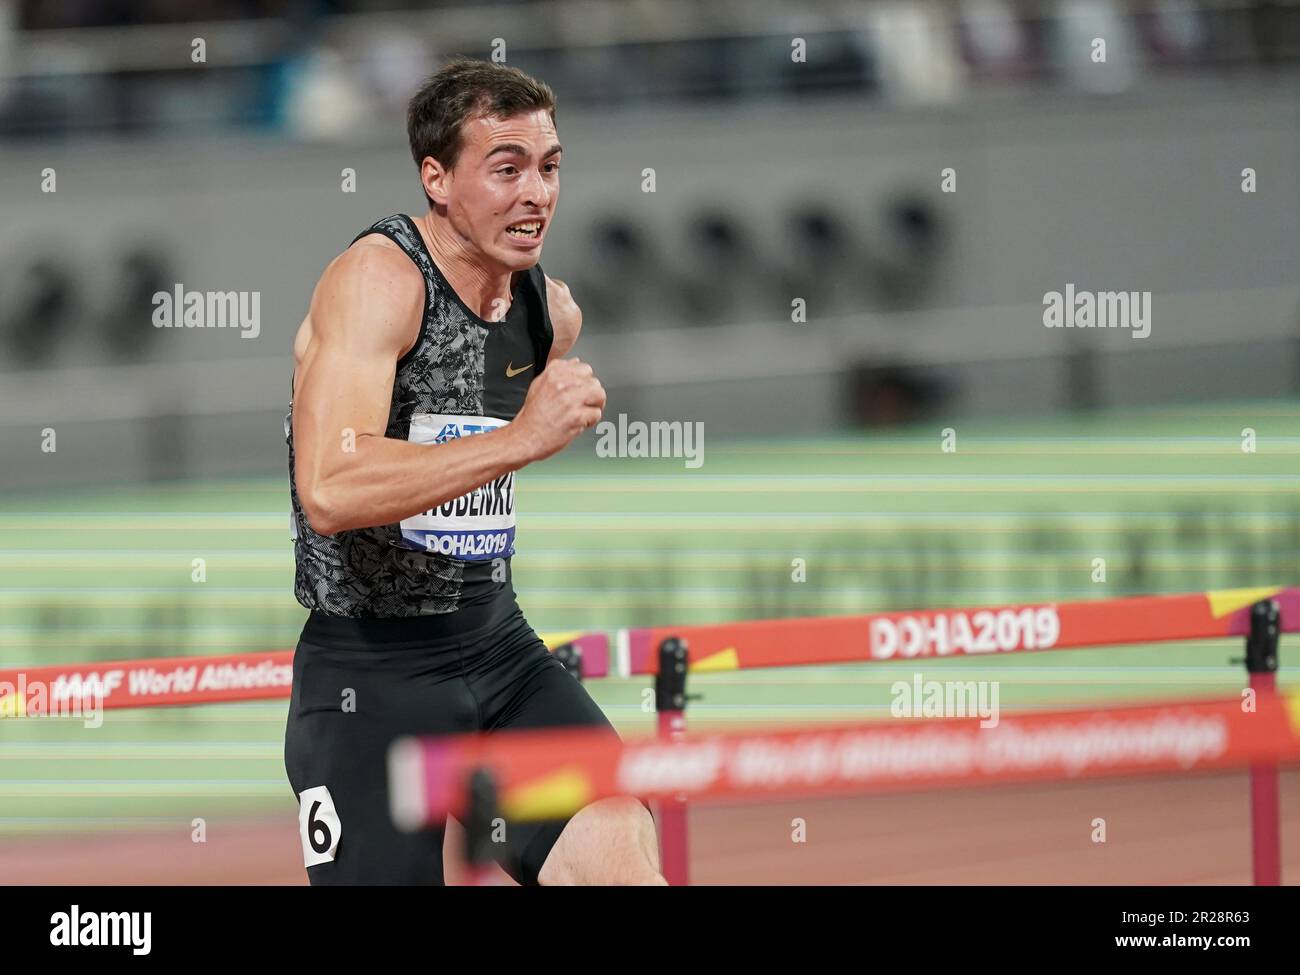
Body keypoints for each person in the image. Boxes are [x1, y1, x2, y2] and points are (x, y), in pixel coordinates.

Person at [282, 56, 664, 885]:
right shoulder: (376, 283)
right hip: (368, 681)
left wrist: (513, 438)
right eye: (506, 169)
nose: (537, 193)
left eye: (549, 167)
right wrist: (520, 440)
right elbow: (330, 487)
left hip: (502, 654)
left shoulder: (547, 311)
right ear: (437, 178)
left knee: (619, 860)